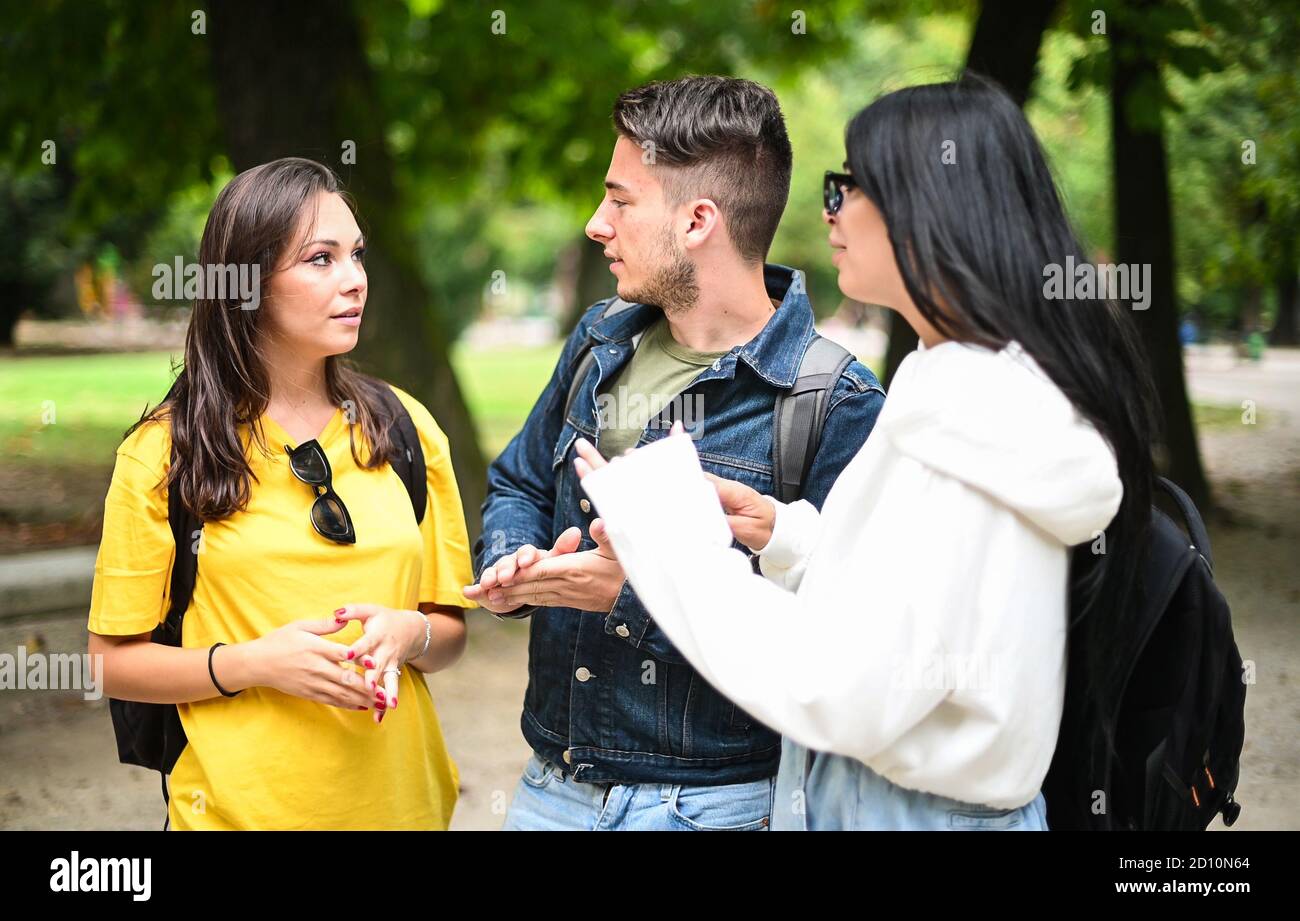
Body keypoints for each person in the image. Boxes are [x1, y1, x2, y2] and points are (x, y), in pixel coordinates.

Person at [574, 75, 1159, 831]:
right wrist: (787, 536)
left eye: (850, 185)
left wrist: (671, 539)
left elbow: (840, 690)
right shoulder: (957, 387)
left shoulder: (980, 420)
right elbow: (932, 614)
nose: (830, 208)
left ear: (930, 207)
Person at [464, 76, 885, 830]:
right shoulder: (599, 341)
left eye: (621, 201)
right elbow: (519, 481)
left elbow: (846, 639)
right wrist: (514, 559)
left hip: (717, 807)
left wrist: (632, 592)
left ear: (698, 221)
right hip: (550, 789)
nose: (598, 224)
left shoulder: (835, 401)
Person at [88, 157, 475, 830]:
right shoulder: (162, 453)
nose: (354, 279)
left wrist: (410, 633)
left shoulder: (408, 429)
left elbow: (447, 632)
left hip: (403, 808)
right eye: (320, 259)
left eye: (356, 254)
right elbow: (111, 664)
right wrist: (255, 663)